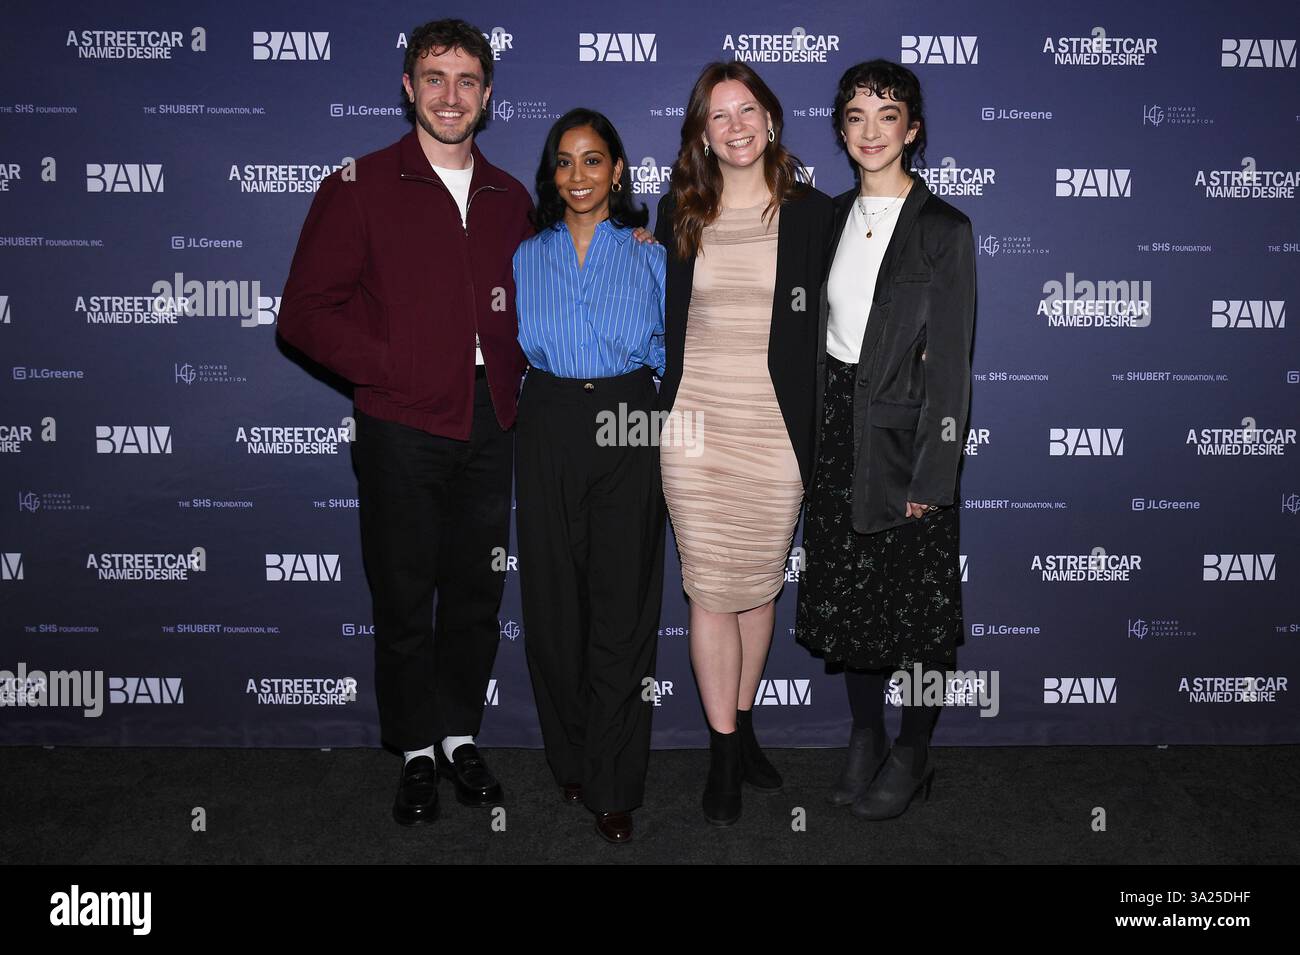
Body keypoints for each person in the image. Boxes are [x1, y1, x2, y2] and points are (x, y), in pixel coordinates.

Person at [277, 19, 534, 826]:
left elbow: (539, 301)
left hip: (491, 425)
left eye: (465, 81)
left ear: (487, 95)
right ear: (408, 87)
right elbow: (304, 315)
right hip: (399, 426)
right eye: (434, 78)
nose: (449, 95)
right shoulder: (357, 184)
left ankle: (458, 734)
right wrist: (396, 366)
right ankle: (415, 750)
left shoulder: (510, 196)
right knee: (402, 595)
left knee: (474, 593)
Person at [795, 59, 976, 821]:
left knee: (919, 607)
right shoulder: (828, 217)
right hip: (836, 430)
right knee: (851, 600)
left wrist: (932, 480)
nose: (872, 131)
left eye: (888, 115)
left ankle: (915, 749)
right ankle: (865, 734)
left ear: (914, 128)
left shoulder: (944, 228)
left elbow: (952, 371)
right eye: (857, 116)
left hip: (906, 441)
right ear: (841, 129)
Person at [656, 62, 833, 826]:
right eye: (718, 115)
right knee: (709, 586)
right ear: (702, 130)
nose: (735, 125)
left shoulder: (816, 215)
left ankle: (746, 720)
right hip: (694, 426)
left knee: (758, 586)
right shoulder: (677, 213)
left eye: (747, 109)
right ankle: (723, 754)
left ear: (771, 118)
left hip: (776, 432)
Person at [512, 109, 667, 845]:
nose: (579, 176)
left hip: (627, 416)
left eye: (593, 160)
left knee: (623, 606)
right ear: (552, 173)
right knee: (553, 607)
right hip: (545, 419)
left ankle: (614, 779)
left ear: (617, 171)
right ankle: (570, 755)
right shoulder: (524, 255)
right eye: (565, 162)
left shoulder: (651, 253)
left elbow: (677, 349)